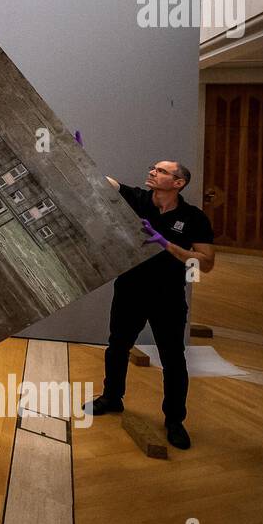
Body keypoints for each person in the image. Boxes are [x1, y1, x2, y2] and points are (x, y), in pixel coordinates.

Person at [87, 161, 215, 449]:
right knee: (117, 346)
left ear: (178, 183)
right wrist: (76, 155)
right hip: (130, 290)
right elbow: (104, 181)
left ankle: (174, 421)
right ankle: (111, 398)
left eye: (160, 171)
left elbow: (206, 263)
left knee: (173, 359)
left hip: (167, 297)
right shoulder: (138, 199)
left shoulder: (193, 218)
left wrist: (167, 244)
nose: (152, 173)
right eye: (152, 168)